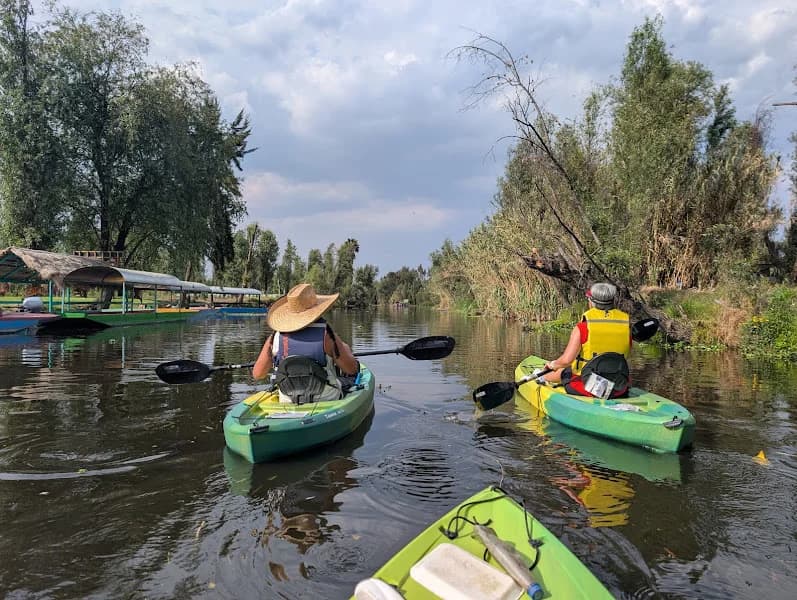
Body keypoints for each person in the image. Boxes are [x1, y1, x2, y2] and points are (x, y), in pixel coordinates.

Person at [252, 283, 359, 402]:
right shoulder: (326, 334)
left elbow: (258, 374)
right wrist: (346, 349)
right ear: (316, 309)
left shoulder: (276, 336)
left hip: (288, 400)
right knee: (349, 380)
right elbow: (351, 369)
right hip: (326, 399)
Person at [538, 282, 631, 397]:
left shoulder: (583, 328)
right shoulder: (626, 327)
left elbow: (566, 360)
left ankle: (540, 376)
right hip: (619, 388)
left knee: (565, 371)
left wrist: (552, 365)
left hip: (587, 387)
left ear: (591, 302)